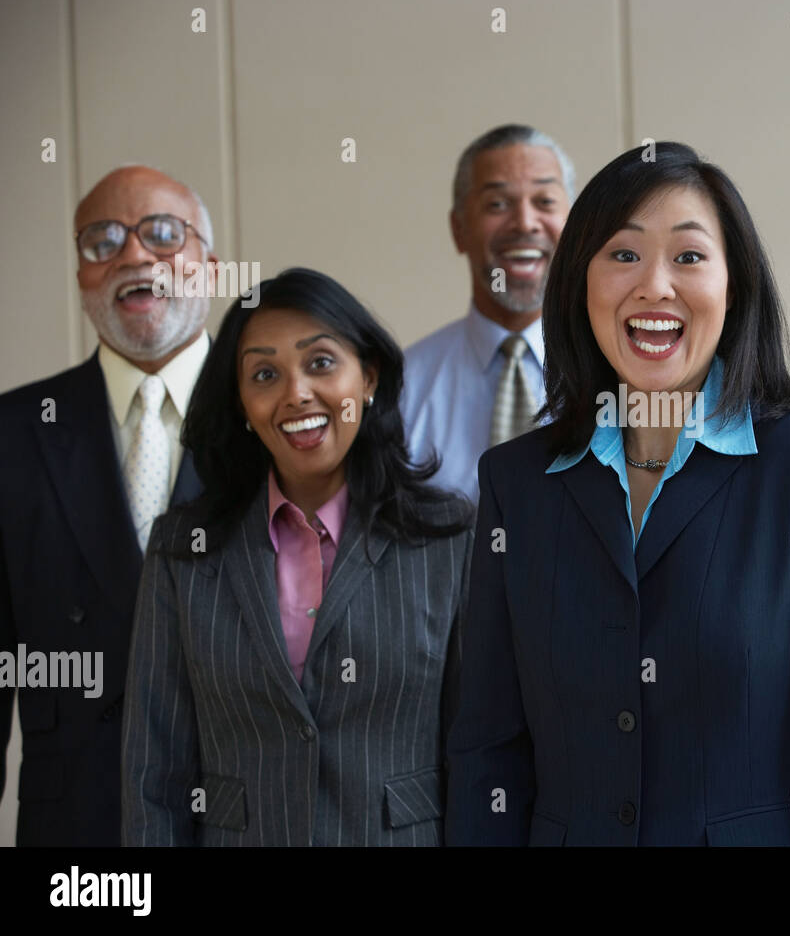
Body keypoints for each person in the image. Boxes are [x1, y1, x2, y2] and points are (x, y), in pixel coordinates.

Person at [446, 142, 790, 846]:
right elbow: (487, 747)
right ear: (579, 283)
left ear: (735, 288)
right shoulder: (516, 483)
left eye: (690, 257)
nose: (656, 287)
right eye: (624, 255)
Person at [121, 268, 473, 845]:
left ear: (369, 378)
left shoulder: (450, 538)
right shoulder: (183, 548)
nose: (296, 394)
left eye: (321, 363)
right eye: (265, 373)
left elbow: (477, 755)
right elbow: (153, 773)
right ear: (241, 402)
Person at [0, 165, 215, 846]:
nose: (132, 255)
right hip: (77, 830)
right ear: (82, 279)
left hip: (246, 818)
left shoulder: (277, 420)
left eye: (161, 234)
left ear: (208, 265)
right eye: (102, 242)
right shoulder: (14, 430)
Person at [400, 124, 574, 504]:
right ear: (458, 229)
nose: (525, 223)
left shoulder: (621, 379)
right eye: (497, 204)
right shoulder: (402, 390)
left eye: (545, 201)